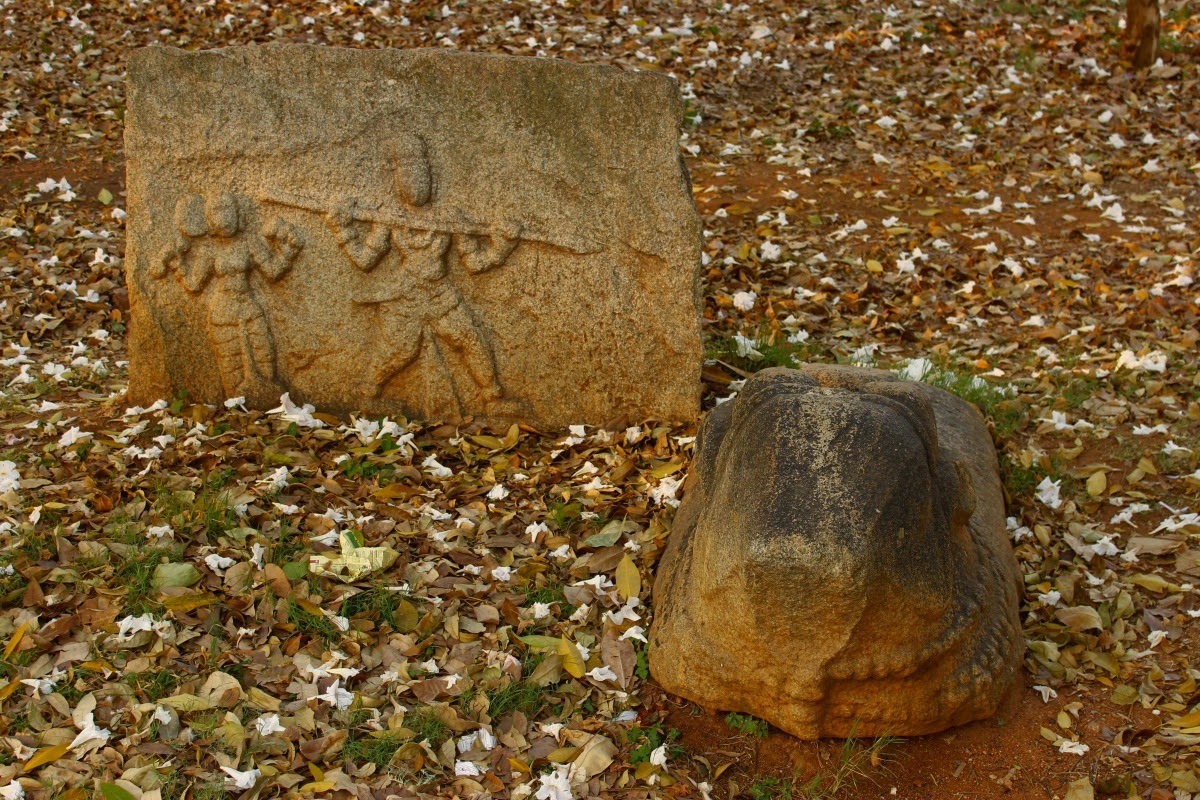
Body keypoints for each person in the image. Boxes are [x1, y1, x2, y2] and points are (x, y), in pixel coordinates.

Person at [327, 135, 523, 415]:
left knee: (470, 338)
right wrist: (342, 229)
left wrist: (503, 245)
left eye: (422, 173)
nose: (416, 182)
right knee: (398, 350)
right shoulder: (389, 215)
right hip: (404, 294)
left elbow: (475, 262)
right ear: (397, 179)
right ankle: (368, 396)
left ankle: (493, 398)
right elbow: (366, 259)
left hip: (440, 292)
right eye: (408, 174)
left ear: (432, 177)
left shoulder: (449, 216)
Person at [154, 193, 303, 405]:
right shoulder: (208, 250)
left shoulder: (250, 243)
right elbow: (194, 285)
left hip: (250, 307)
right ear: (209, 220)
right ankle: (236, 405)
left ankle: (268, 401)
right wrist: (177, 265)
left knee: (264, 359)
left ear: (238, 214)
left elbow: (272, 271)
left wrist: (287, 252)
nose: (224, 217)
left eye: (228, 210)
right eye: (217, 211)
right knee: (231, 365)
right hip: (222, 312)